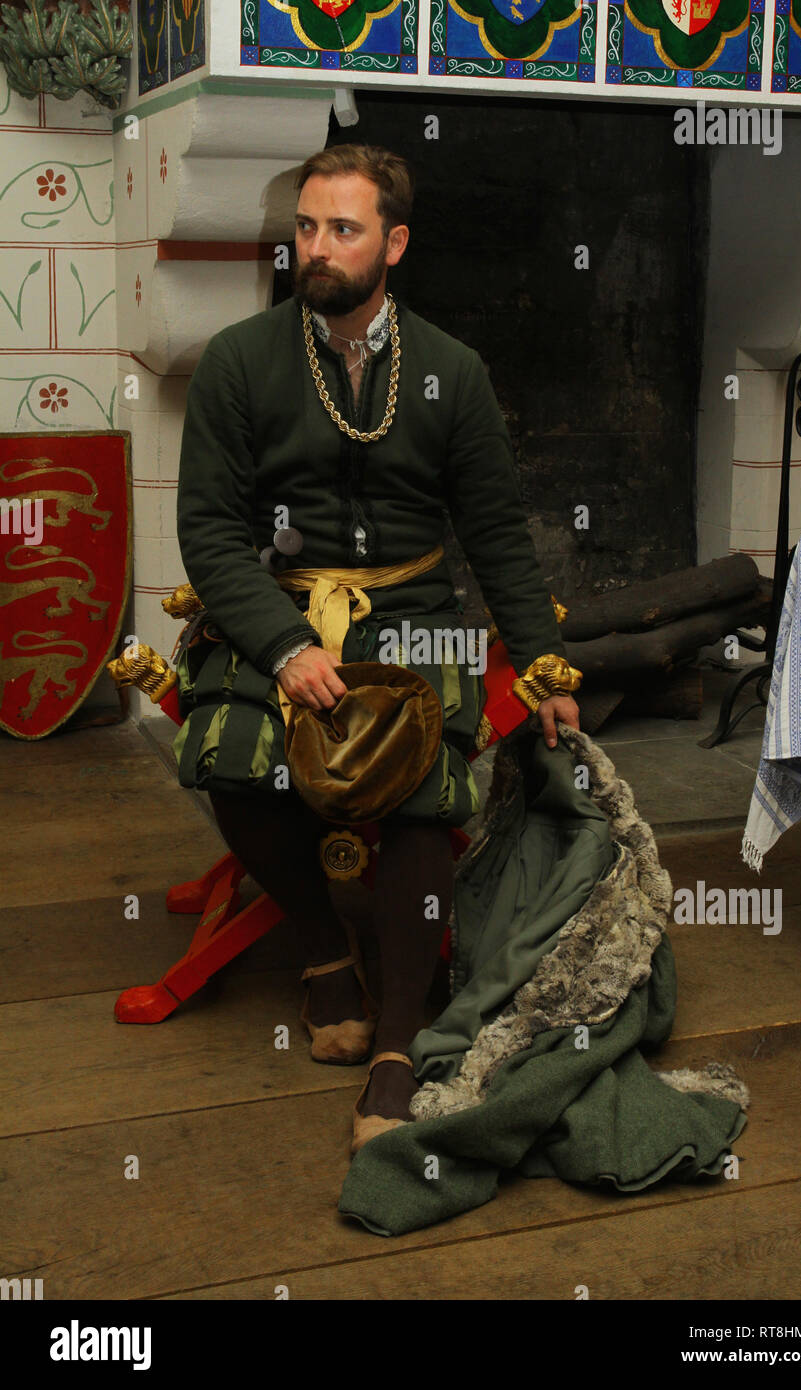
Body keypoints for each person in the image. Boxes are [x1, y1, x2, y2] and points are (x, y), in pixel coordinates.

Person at [175, 143, 581, 1150]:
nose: (314, 247)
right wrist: (279, 647)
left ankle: (399, 1045)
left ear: (392, 243)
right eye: (305, 226)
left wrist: (542, 671)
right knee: (228, 763)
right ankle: (322, 950)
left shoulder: (452, 370)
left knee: (416, 802)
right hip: (274, 611)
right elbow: (212, 534)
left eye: (341, 229)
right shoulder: (239, 360)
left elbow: (492, 536)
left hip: (411, 616)